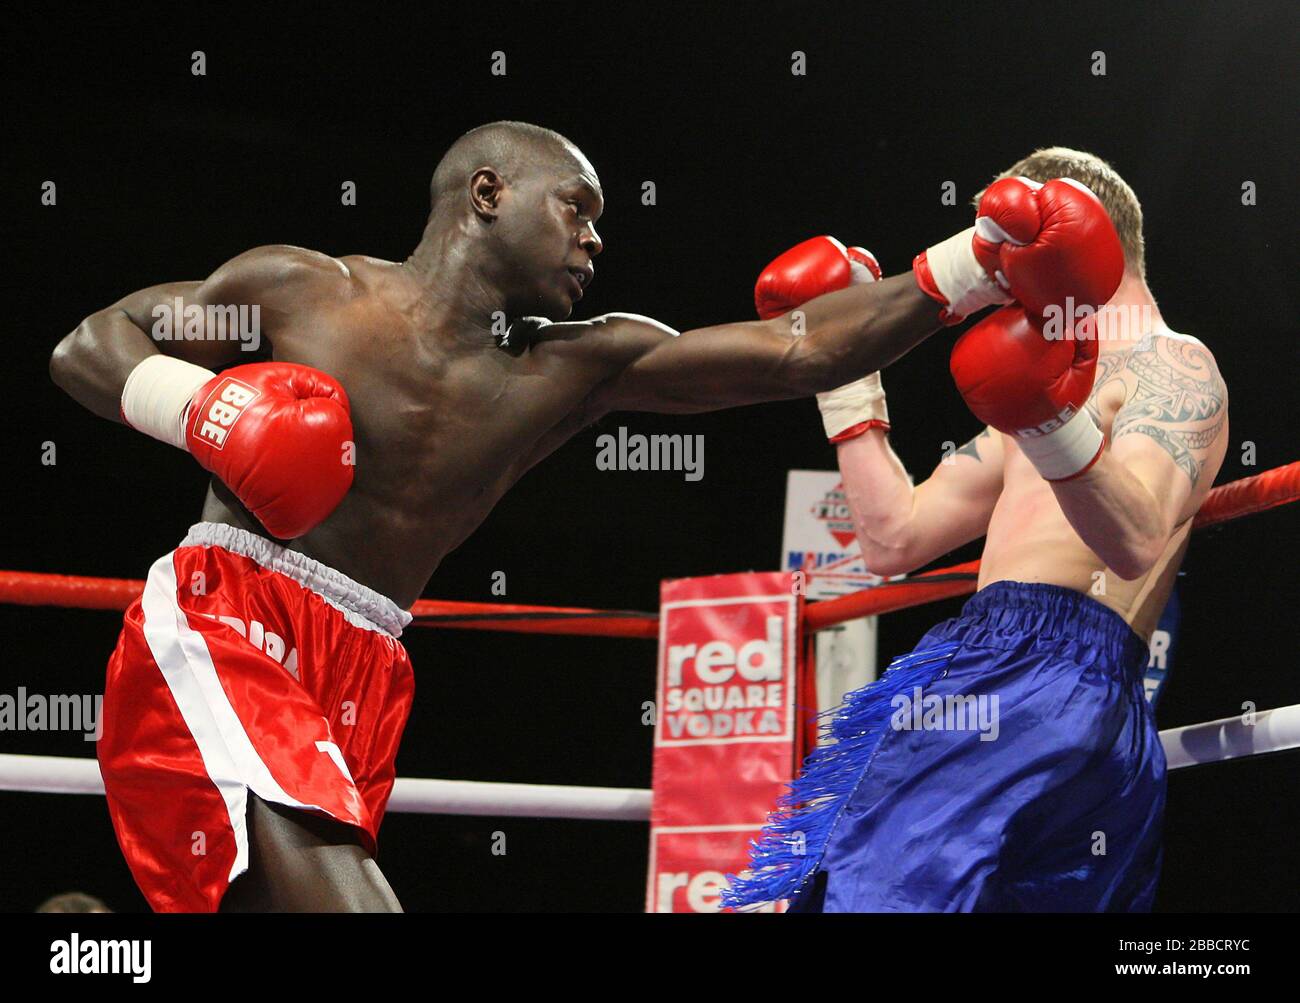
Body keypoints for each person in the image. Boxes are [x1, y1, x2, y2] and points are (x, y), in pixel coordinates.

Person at [50, 123, 1119, 911]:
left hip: (367, 661)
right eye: (578, 208)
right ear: (485, 192)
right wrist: (204, 408)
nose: (595, 241)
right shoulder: (299, 293)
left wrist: (975, 262)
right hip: (228, 617)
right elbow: (94, 345)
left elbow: (802, 352)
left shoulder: (582, 365)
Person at [723, 148, 1228, 912]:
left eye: (1005, 253)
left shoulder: (1174, 364)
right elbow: (894, 538)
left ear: (1074, 238)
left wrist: (1047, 415)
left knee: (871, 890)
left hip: (1042, 677)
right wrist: (843, 374)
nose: (993, 282)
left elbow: (1135, 534)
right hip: (1037, 691)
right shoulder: (1050, 386)